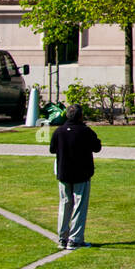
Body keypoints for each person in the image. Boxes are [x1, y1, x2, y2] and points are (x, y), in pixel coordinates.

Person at [50, 104, 102, 250]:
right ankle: (75, 239)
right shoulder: (85, 131)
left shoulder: (59, 131)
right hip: (81, 174)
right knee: (79, 206)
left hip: (64, 173)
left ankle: (62, 238)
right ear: (81, 116)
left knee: (65, 205)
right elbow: (97, 147)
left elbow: (52, 149)